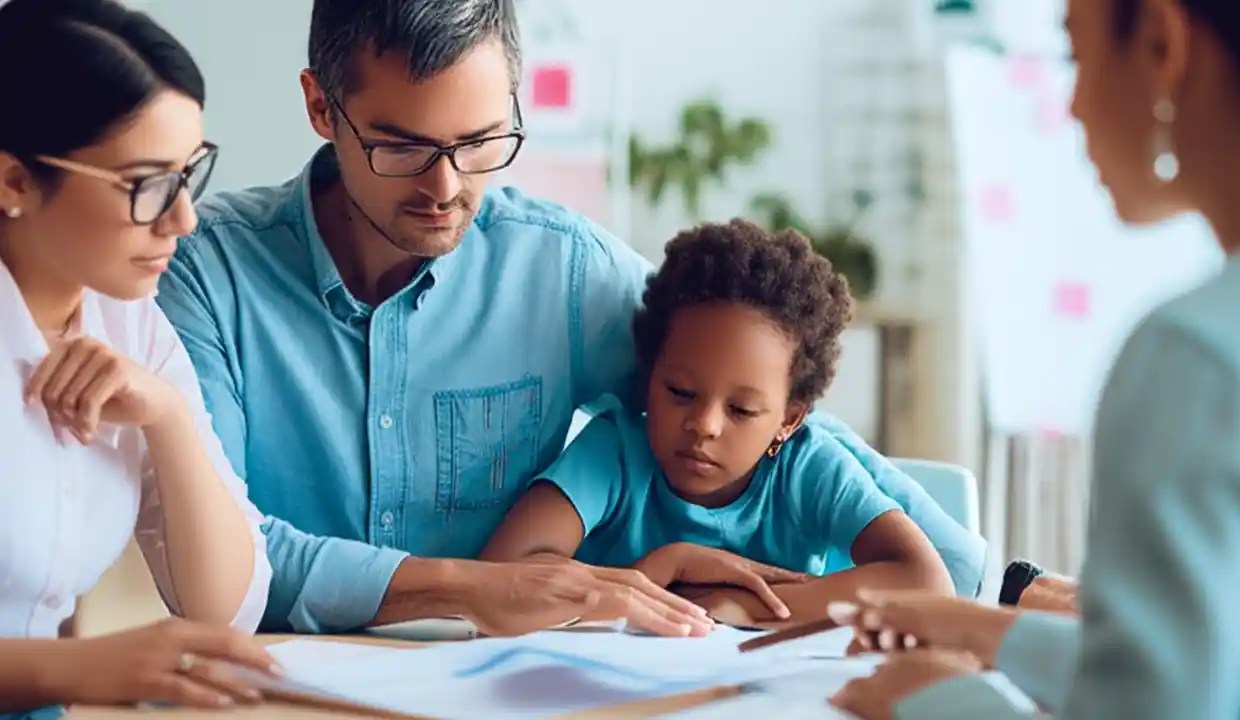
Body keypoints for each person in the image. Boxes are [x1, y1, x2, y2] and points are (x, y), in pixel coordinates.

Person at [155, 0, 986, 637]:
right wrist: (470, 586)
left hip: (524, 684)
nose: (446, 189)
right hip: (283, 691)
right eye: (402, 147)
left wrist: (990, 577)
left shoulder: (556, 267)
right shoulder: (208, 274)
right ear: (320, 107)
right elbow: (232, 560)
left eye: (480, 141)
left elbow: (754, 401)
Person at [829, 0, 1240, 718]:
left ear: (1163, 46)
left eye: (1075, 56)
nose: (1069, 105)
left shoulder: (1198, 359)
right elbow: (1198, 667)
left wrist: (940, 704)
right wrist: (985, 630)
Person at [0, 0, 281, 715]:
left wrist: (169, 415)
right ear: (13, 182)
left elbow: (225, 610)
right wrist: (73, 670)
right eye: (147, 184)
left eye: (188, 175)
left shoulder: (130, 321)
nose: (183, 218)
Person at [482, 221, 955, 627]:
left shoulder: (808, 468)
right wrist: (660, 570)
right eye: (681, 393)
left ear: (789, 419)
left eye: (742, 411)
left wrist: (744, 606)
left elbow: (927, 582)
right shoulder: (617, 451)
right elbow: (497, 572)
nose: (704, 425)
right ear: (649, 377)